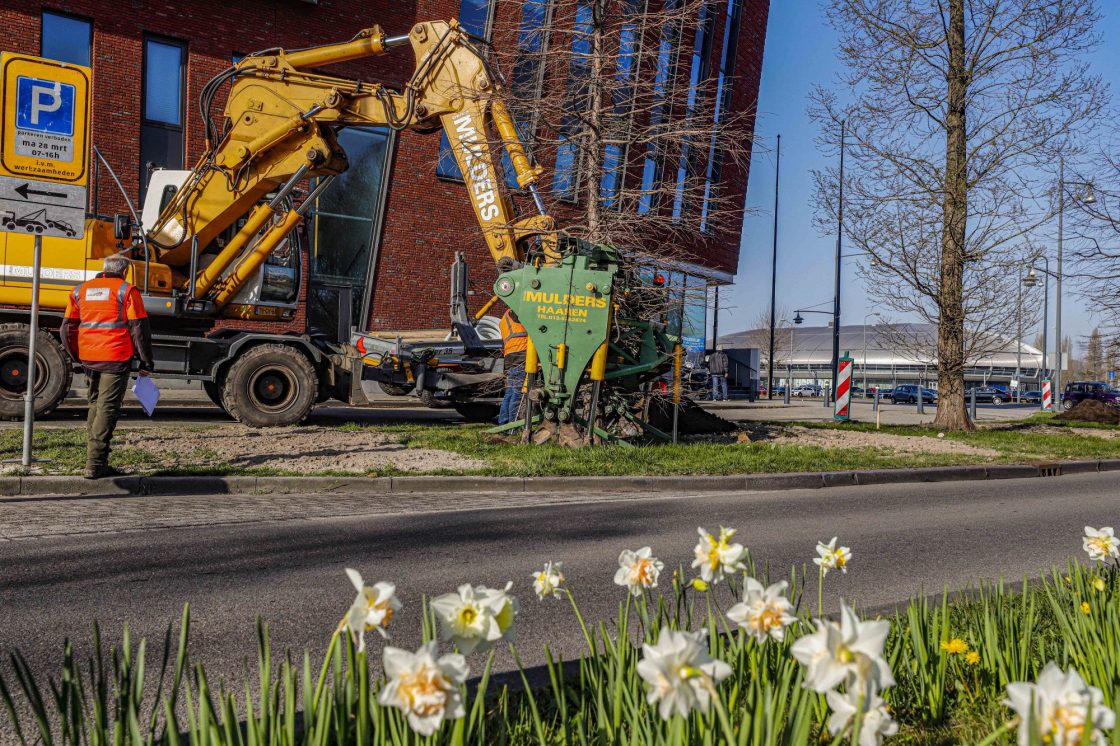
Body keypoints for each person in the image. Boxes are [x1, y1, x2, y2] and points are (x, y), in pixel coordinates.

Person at [61, 254, 155, 479]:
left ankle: (93, 458)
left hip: (88, 357)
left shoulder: (79, 291)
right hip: (115, 357)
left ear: (104, 269)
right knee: (107, 407)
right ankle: (95, 463)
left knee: (94, 403)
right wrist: (146, 361)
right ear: (124, 271)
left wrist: (77, 354)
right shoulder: (127, 291)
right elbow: (138, 328)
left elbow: (67, 328)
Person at [498, 307, 528, 424]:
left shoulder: (505, 317)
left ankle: (504, 422)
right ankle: (512, 425)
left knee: (510, 392)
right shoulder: (515, 312)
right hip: (521, 354)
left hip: (510, 356)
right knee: (517, 393)